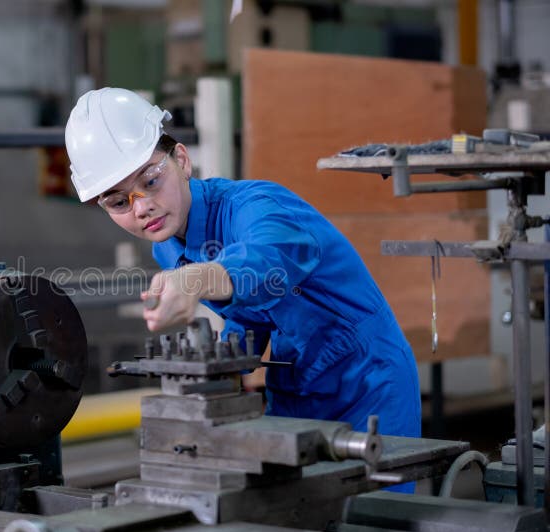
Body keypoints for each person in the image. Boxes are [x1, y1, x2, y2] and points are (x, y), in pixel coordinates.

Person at [64, 88, 421, 486]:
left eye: (150, 180)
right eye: (118, 203)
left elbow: (266, 264)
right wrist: (220, 367)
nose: (141, 206)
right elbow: (255, 312)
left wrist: (196, 279)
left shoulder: (257, 205)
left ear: (182, 160)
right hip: (296, 386)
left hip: (368, 382)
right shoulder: (168, 246)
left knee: (376, 517)